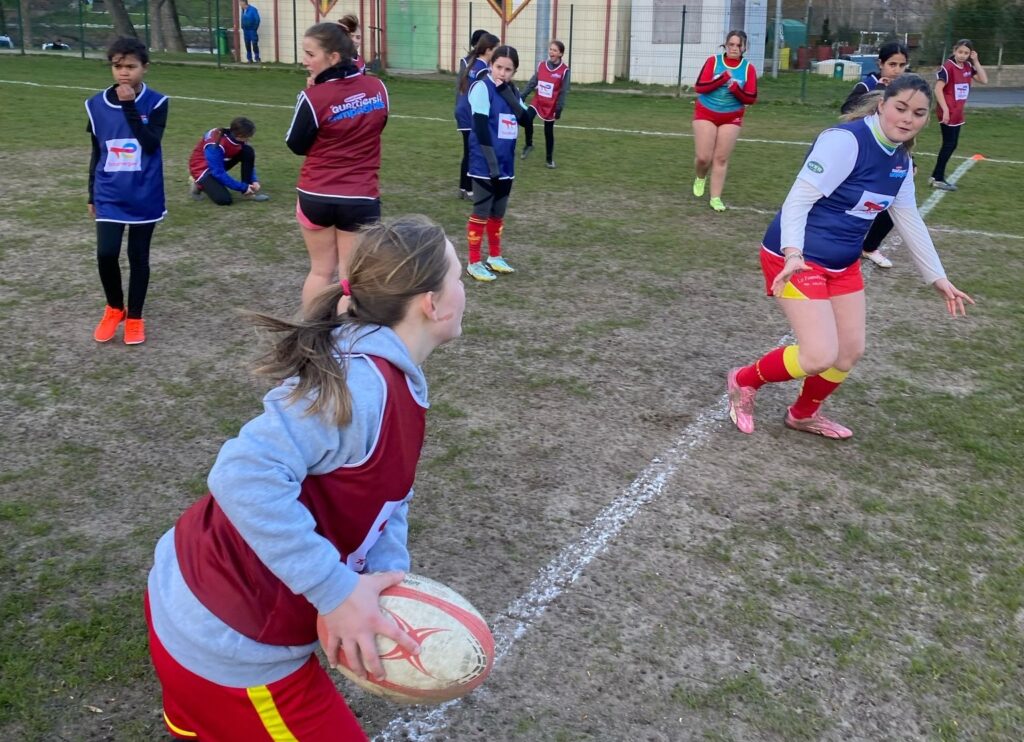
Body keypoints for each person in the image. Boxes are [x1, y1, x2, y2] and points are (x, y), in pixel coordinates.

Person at [145, 214, 466, 742]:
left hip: (194, 597)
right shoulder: (364, 385)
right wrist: (336, 591)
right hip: (228, 640)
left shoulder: (393, 376)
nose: (464, 288)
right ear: (432, 302)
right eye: (457, 276)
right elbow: (243, 473)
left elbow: (388, 498)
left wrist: (385, 582)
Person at [725, 74, 974, 440]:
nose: (908, 118)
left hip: (841, 264)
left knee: (849, 352)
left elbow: (909, 220)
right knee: (817, 355)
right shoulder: (845, 142)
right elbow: (797, 200)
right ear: (883, 104)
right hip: (795, 257)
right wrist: (793, 253)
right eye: (901, 108)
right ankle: (743, 381)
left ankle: (802, 415)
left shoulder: (901, 162)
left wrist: (938, 278)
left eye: (919, 113)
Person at [286, 22, 389, 314]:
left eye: (309, 54)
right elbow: (378, 125)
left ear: (333, 58)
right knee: (349, 278)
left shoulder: (313, 97)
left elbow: (296, 145)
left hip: (316, 193)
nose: (304, 60)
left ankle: (311, 335)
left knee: (320, 272)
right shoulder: (377, 87)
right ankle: (345, 345)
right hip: (360, 197)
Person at [85, 37, 168, 346]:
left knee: (138, 257)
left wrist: (130, 105)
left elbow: (149, 143)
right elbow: (97, 151)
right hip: (109, 191)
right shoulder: (94, 105)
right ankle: (114, 308)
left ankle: (135, 317)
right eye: (117, 66)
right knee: (106, 253)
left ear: (144, 68)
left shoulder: (158, 102)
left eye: (131, 67)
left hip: (144, 192)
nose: (124, 73)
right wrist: (92, 193)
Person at [464, 45, 535, 282]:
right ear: (491, 65)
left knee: (498, 213)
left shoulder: (511, 91)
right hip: (485, 163)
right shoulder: (481, 88)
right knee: (482, 212)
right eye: (498, 67)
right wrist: (491, 163)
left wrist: (507, 93)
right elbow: (482, 128)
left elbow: (525, 119)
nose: (502, 73)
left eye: (508, 69)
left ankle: (494, 256)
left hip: (506, 164)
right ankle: (474, 261)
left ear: (514, 72)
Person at [841, 40, 910, 269]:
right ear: (880, 63)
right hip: (863, 153)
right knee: (853, 200)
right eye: (892, 64)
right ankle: (841, 243)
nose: (897, 70)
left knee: (893, 200)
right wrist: (879, 91)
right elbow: (847, 109)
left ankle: (870, 246)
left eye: (901, 65)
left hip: (891, 152)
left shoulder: (904, 90)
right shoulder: (868, 84)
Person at [691, 30, 758, 212]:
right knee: (704, 157)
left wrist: (736, 88)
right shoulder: (713, 62)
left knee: (720, 158)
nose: (734, 48)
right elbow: (700, 87)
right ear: (726, 45)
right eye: (731, 44)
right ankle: (700, 176)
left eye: (739, 45)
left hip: (732, 116)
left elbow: (751, 98)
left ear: (744, 47)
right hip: (706, 112)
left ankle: (715, 198)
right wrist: (723, 78)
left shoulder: (748, 68)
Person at [930, 38, 988, 191]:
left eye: (966, 53)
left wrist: (976, 61)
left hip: (957, 112)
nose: (962, 55)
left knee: (951, 144)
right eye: (960, 52)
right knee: (949, 144)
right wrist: (946, 109)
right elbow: (937, 89)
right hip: (948, 111)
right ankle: (938, 179)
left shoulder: (968, 66)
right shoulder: (948, 67)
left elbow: (984, 80)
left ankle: (936, 175)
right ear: (955, 51)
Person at [454, 31, 499, 200]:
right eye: (496, 48)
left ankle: (463, 188)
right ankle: (470, 190)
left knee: (468, 150)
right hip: (469, 113)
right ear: (488, 50)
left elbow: (460, 88)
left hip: (462, 111)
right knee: (472, 152)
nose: (497, 52)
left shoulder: (470, 62)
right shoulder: (482, 69)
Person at [188, 117, 269, 205]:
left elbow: (249, 160)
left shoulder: (236, 135)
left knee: (247, 151)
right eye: (248, 137)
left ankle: (249, 191)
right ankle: (198, 184)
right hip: (202, 169)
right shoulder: (215, 145)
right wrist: (242, 187)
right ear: (240, 136)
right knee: (224, 200)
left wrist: (254, 180)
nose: (250, 139)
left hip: (218, 164)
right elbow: (218, 172)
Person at [520, 39, 570, 169]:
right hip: (538, 101)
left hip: (551, 105)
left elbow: (564, 91)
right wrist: (523, 95)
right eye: (550, 49)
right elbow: (533, 82)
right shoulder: (542, 65)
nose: (551, 52)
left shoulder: (564, 71)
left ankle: (549, 159)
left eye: (555, 50)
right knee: (527, 119)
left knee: (548, 132)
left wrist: (559, 108)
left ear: (560, 54)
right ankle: (529, 144)